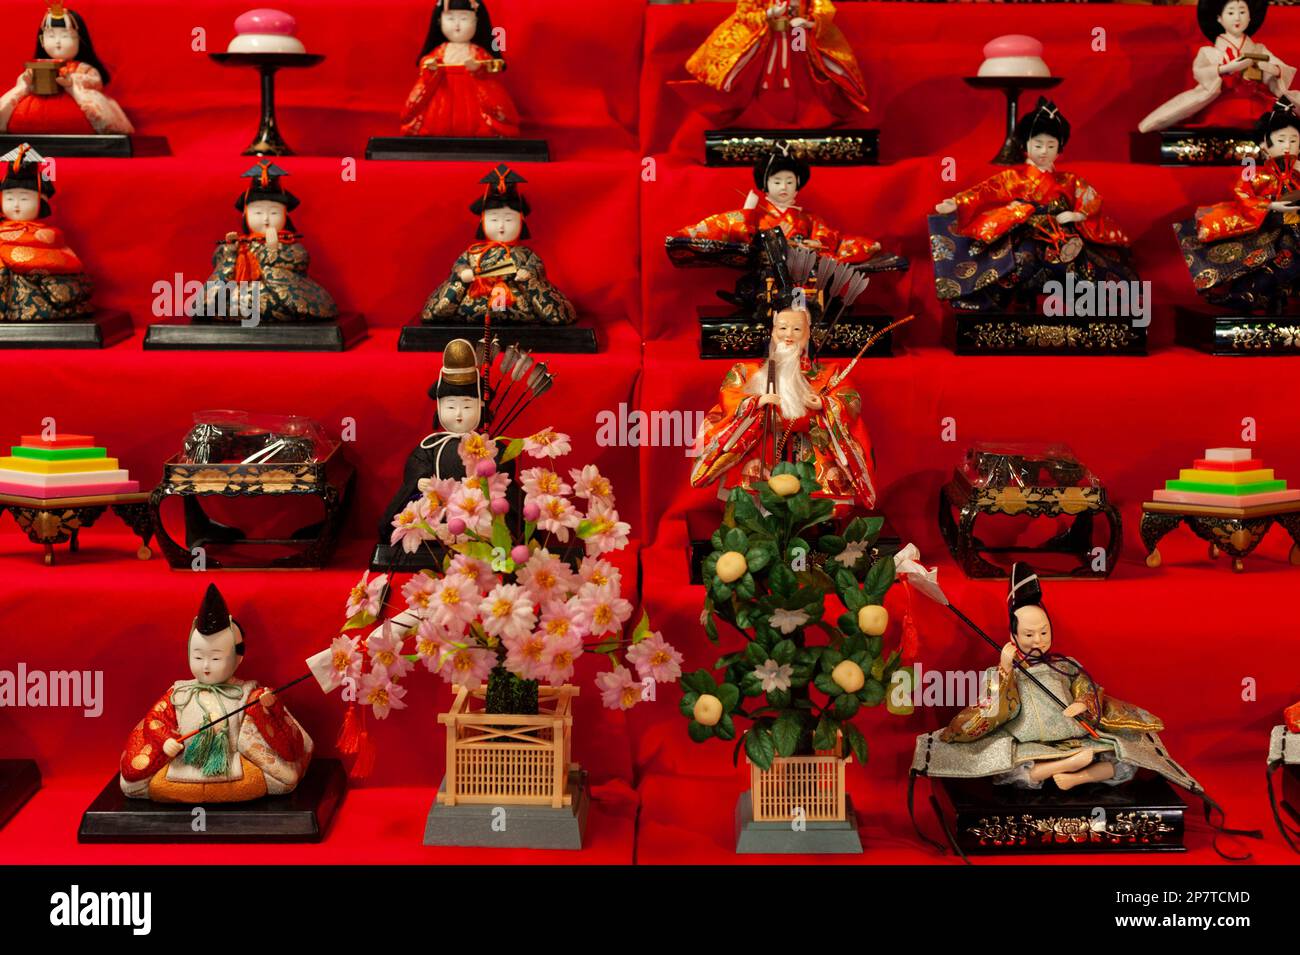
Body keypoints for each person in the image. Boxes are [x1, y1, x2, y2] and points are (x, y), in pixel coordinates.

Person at [929, 98, 1136, 312]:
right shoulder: (1015, 178)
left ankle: (1092, 309)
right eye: (1038, 145)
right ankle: (990, 307)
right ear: (1026, 146)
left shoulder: (1068, 180)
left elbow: (1091, 198)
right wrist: (957, 202)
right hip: (1027, 232)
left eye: (1051, 145)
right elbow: (987, 190)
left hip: (1062, 233)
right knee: (1019, 261)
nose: (1044, 151)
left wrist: (1077, 216)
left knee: (1078, 264)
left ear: (1060, 148)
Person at [118, 584, 313, 803]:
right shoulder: (179, 692)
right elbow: (155, 719)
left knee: (283, 780)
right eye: (198, 657)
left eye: (216, 658)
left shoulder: (246, 691)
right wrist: (166, 742)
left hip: (234, 764)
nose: (206, 666)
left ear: (238, 658)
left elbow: (270, 727)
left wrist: (267, 706)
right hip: (182, 762)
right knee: (132, 784)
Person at [691, 298, 878, 508]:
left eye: (797, 329)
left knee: (819, 502)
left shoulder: (830, 373)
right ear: (772, 332)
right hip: (763, 444)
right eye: (783, 328)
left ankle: (817, 516)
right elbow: (729, 395)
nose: (789, 335)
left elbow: (849, 398)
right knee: (754, 502)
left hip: (811, 449)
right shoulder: (748, 371)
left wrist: (824, 404)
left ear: (808, 334)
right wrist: (757, 402)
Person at [1176, 98, 1300, 313]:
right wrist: (1271, 206)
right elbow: (1242, 192)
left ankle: (1270, 296)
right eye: (1281, 140)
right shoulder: (1251, 164)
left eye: (1294, 140)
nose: (1288, 145)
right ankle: (1256, 296)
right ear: (1264, 144)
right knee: (1278, 253)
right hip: (1267, 224)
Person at [677, 142, 884, 264]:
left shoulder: (807, 219)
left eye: (789, 181)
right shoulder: (756, 216)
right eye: (776, 182)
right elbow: (736, 237)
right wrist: (748, 211)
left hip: (803, 278)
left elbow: (833, 240)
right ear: (765, 185)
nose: (783, 187)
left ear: (798, 184)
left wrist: (817, 244)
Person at [422, 164, 575, 325]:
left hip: (517, 302)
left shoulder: (526, 254)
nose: (501, 226)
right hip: (477, 299)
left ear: (521, 221)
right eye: (494, 220)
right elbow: (458, 267)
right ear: (483, 221)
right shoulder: (473, 253)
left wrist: (528, 273)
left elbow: (536, 269)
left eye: (509, 219)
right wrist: (463, 272)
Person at [195, 161, 338, 324]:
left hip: (275, 295)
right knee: (222, 301)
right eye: (257, 212)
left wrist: (273, 250)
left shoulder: (289, 243)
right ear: (245, 215)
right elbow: (217, 261)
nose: (266, 219)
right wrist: (230, 252)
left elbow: (301, 261)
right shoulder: (242, 244)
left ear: (285, 215)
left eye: (274, 212)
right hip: (238, 293)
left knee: (279, 305)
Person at [686, 0, 869, 126]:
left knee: (802, 73)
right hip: (769, 38)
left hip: (798, 35)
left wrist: (808, 22)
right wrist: (768, 14)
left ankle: (807, 115)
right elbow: (745, 13)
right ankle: (762, 115)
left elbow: (824, 10)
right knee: (762, 76)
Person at [1139, 0, 1300, 134]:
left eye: (1242, 12)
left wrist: (1271, 68)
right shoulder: (1209, 52)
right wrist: (1226, 68)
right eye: (1230, 12)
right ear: (1219, 18)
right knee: (1220, 120)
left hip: (1256, 103)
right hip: (1223, 103)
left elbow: (1281, 68)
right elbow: (1201, 72)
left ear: (1250, 17)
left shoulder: (1259, 49)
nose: (1237, 18)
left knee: (1277, 123)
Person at [0, 3, 133, 135]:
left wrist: (72, 81)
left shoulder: (81, 68)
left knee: (90, 113)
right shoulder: (38, 65)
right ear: (41, 40)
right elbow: (23, 82)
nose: (58, 42)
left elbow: (95, 81)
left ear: (80, 40)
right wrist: (27, 81)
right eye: (51, 36)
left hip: (75, 102)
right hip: (36, 107)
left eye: (65, 36)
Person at [399, 0, 521, 138]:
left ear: (476, 22)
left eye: (464, 19)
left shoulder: (477, 52)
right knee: (436, 123)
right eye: (450, 19)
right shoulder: (440, 51)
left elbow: (493, 66)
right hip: (443, 93)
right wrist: (431, 65)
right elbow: (425, 63)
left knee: (481, 124)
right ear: (440, 21)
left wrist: (478, 67)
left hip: (473, 93)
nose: (457, 26)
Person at [0, 143, 93, 322]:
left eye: (25, 198)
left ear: (40, 201)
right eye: (10, 198)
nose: (16, 205)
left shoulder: (47, 235)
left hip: (36, 288)